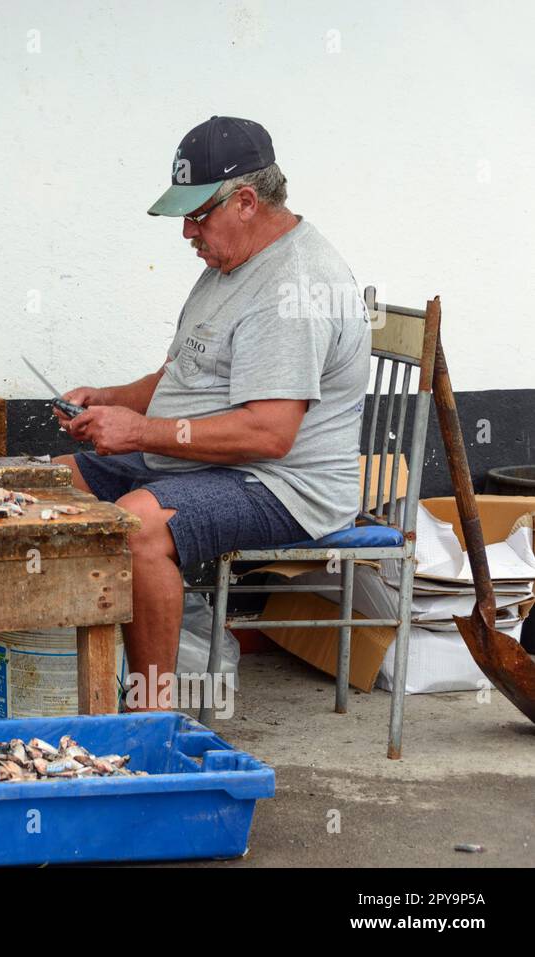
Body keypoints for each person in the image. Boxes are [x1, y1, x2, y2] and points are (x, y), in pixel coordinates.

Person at [53, 116, 371, 705]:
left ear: (246, 201)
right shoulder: (230, 263)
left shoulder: (291, 291)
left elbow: (269, 434)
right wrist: (109, 400)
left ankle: (150, 714)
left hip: (282, 483)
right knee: (49, 485)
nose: (186, 233)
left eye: (197, 215)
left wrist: (140, 431)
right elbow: (181, 378)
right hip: (207, 461)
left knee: (139, 525)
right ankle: (62, 676)